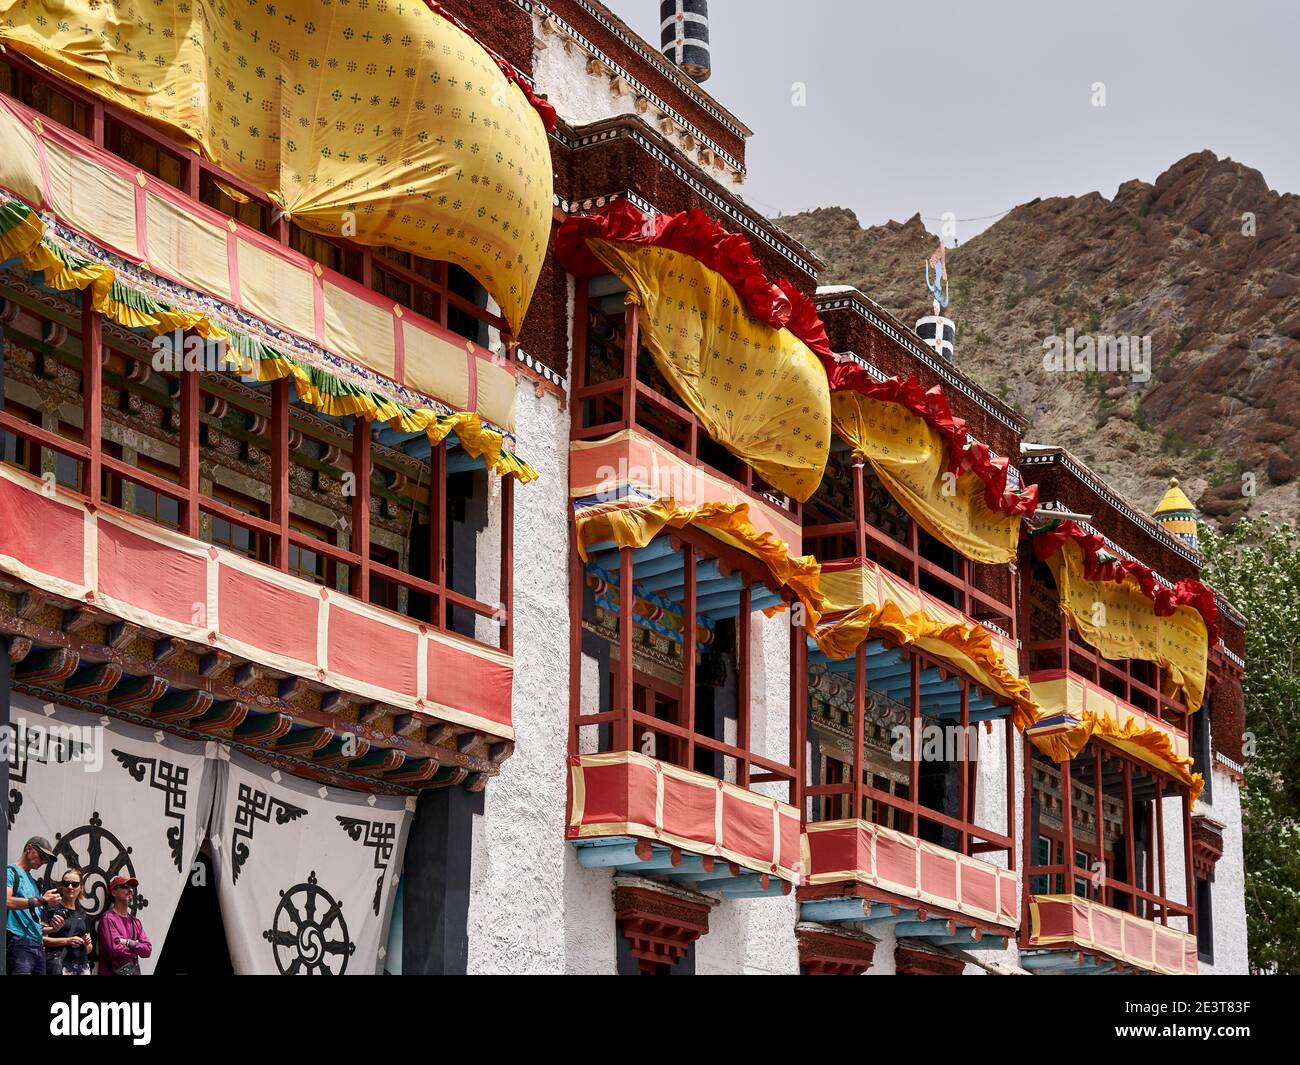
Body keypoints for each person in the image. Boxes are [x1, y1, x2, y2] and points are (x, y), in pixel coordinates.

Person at [5, 836, 63, 975]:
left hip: (37, 945)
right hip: (18, 942)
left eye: (46, 860)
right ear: (28, 848)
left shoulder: (33, 883)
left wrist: (52, 929)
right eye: (42, 856)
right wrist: (41, 900)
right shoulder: (10, 871)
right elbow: (6, 901)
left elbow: (32, 921)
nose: (43, 862)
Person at [43, 868, 95, 975]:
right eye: (66, 883)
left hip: (82, 967)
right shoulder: (52, 909)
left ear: (81, 888)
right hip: (60, 965)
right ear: (62, 886)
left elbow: (89, 949)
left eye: (75, 884)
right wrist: (67, 941)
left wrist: (86, 943)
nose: (70, 887)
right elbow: (43, 940)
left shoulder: (83, 915)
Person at [97, 876, 151, 975]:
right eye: (125, 887)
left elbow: (147, 950)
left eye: (131, 888)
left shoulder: (136, 922)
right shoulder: (108, 919)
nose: (130, 890)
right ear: (114, 892)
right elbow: (115, 949)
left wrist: (127, 942)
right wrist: (137, 949)